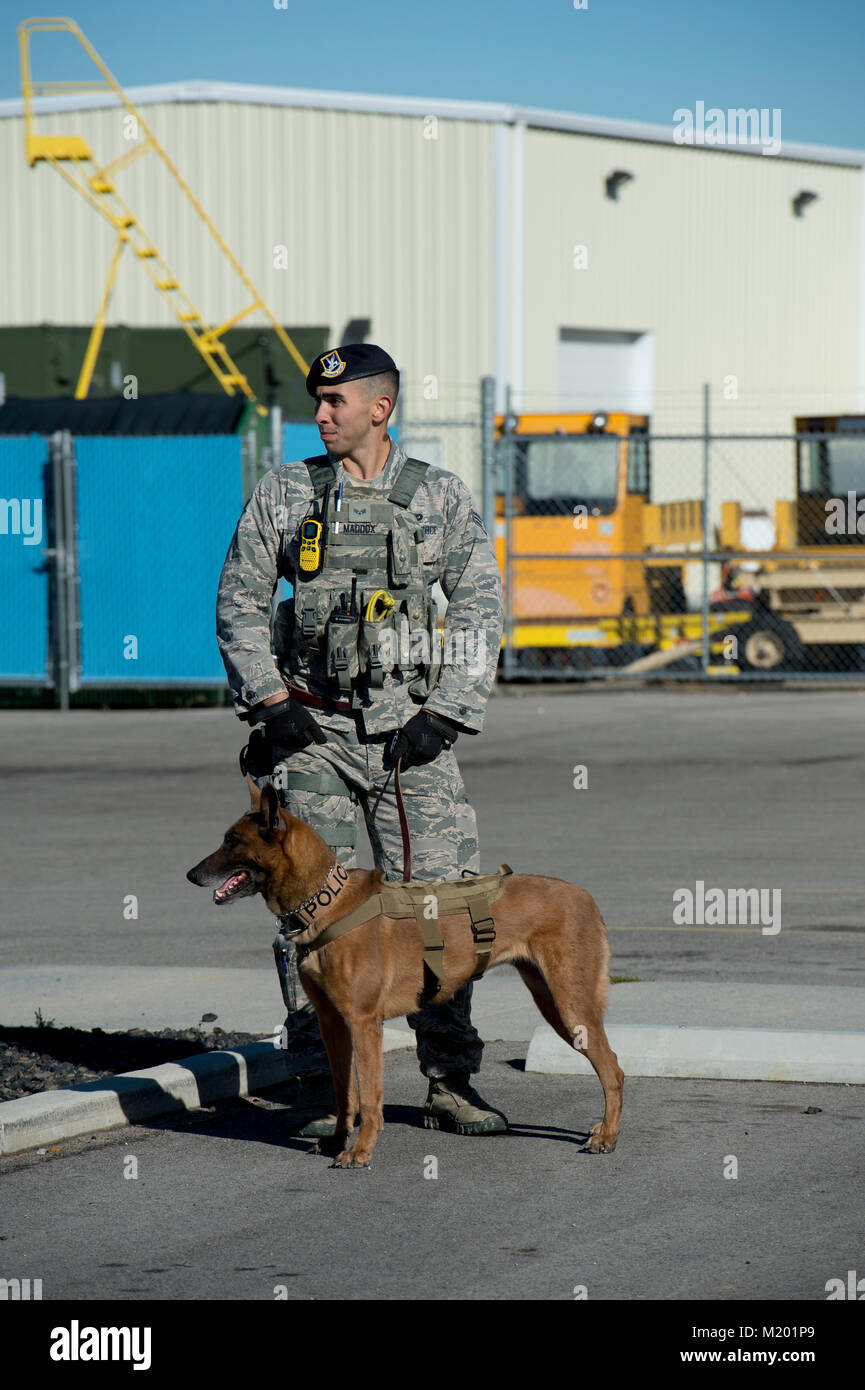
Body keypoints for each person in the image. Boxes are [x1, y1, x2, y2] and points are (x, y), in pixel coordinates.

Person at [216, 343, 506, 1136]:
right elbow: (239, 599)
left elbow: (480, 607)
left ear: (379, 408)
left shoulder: (436, 497)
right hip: (311, 733)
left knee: (439, 909)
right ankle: (320, 1083)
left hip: (412, 736)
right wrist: (271, 702)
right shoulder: (287, 493)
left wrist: (447, 710)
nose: (319, 414)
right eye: (317, 400)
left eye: (334, 402)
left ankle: (449, 1079)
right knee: (309, 915)